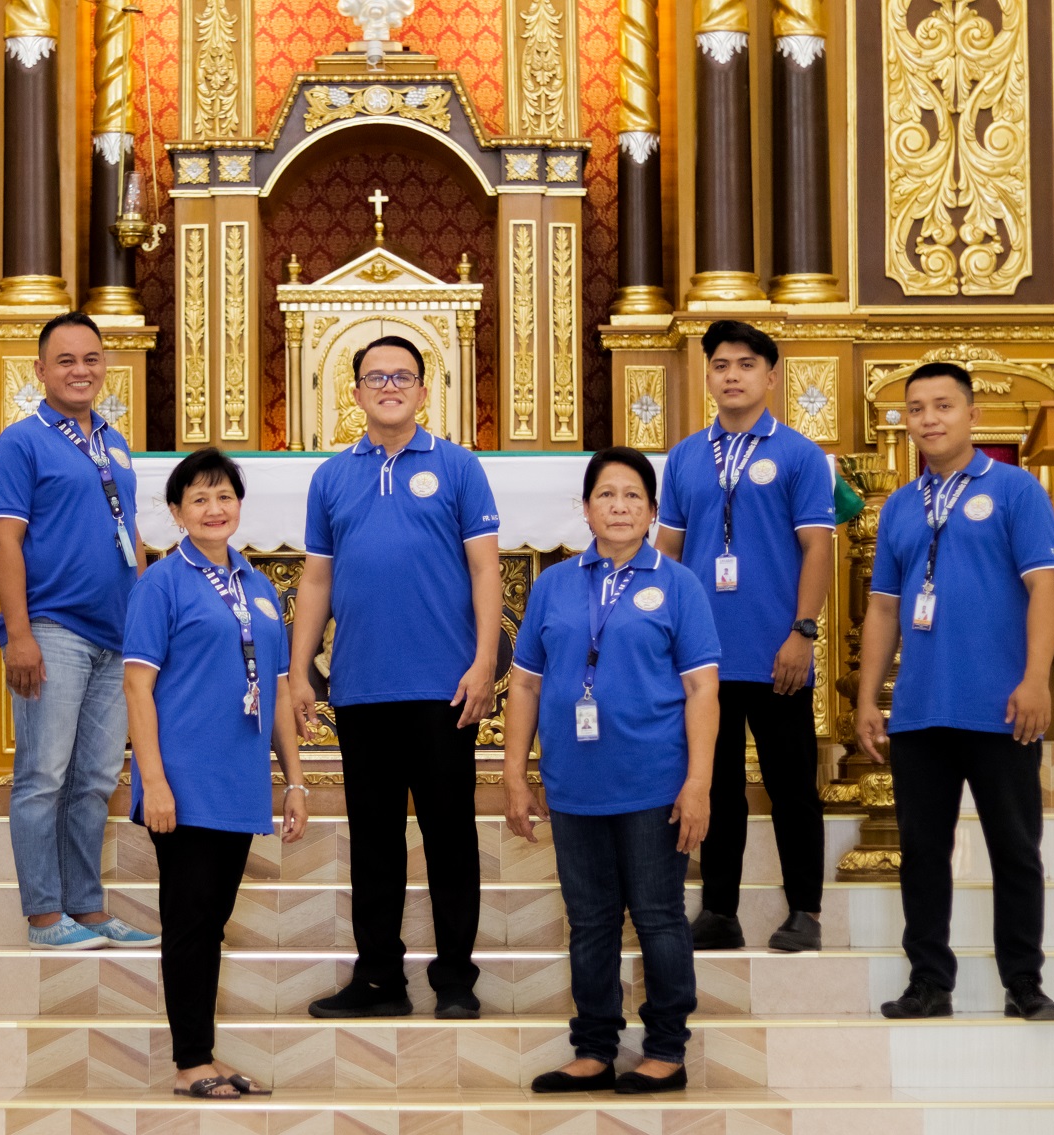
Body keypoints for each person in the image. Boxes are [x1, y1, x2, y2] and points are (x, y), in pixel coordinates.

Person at [290, 335, 502, 1019]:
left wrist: (482, 663)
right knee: (374, 842)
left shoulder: (459, 466)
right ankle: (379, 979)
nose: (389, 385)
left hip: (444, 687)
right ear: (354, 393)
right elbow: (316, 578)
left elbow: (484, 571)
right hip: (360, 687)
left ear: (422, 390)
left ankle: (456, 982)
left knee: (450, 837)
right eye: (375, 376)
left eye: (402, 376)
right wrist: (300, 670)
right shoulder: (331, 477)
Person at [504, 447, 720, 1094]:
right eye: (606, 494)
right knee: (590, 920)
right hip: (574, 785)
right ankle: (594, 1048)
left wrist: (699, 782)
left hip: (655, 782)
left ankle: (666, 1049)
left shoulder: (678, 584)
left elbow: (704, 691)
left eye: (633, 496)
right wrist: (516, 774)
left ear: (653, 511)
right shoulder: (554, 585)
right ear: (586, 507)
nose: (619, 506)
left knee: (657, 916)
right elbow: (524, 685)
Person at [857, 362, 1054, 1022]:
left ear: (973, 414)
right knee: (921, 851)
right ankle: (928, 982)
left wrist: (1035, 680)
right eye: (916, 408)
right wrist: (867, 699)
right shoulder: (898, 505)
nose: (929, 419)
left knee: (1014, 849)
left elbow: (1045, 589)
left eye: (943, 405)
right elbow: (885, 609)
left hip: (1002, 706)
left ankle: (1024, 984)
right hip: (920, 710)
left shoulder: (1015, 491)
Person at [123, 449, 310, 1099]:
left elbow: (280, 689)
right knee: (191, 921)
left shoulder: (257, 587)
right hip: (184, 781)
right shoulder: (162, 584)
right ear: (177, 513)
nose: (213, 508)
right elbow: (137, 687)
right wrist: (154, 782)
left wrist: (294, 779)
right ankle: (190, 1063)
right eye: (198, 498)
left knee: (211, 920)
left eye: (224, 496)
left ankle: (203, 1052)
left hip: (239, 783)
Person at [655, 319, 835, 953]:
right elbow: (668, 554)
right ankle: (721, 911)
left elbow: (818, 547)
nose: (732, 375)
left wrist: (803, 632)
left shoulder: (798, 455)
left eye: (746, 364)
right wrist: (660, 635)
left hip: (776, 650)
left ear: (770, 375)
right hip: (703, 658)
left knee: (791, 784)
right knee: (717, 783)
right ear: (707, 376)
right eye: (721, 365)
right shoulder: (683, 457)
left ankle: (805, 911)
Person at [0, 311, 159, 951]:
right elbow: (7, 542)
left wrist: (144, 618)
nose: (80, 371)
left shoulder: (113, 440)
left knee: (92, 779)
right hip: (53, 628)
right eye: (65, 360)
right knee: (43, 775)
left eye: (90, 359)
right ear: (40, 370)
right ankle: (41, 915)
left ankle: (86, 908)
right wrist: (21, 635)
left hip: (117, 636)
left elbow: (130, 535)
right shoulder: (21, 442)